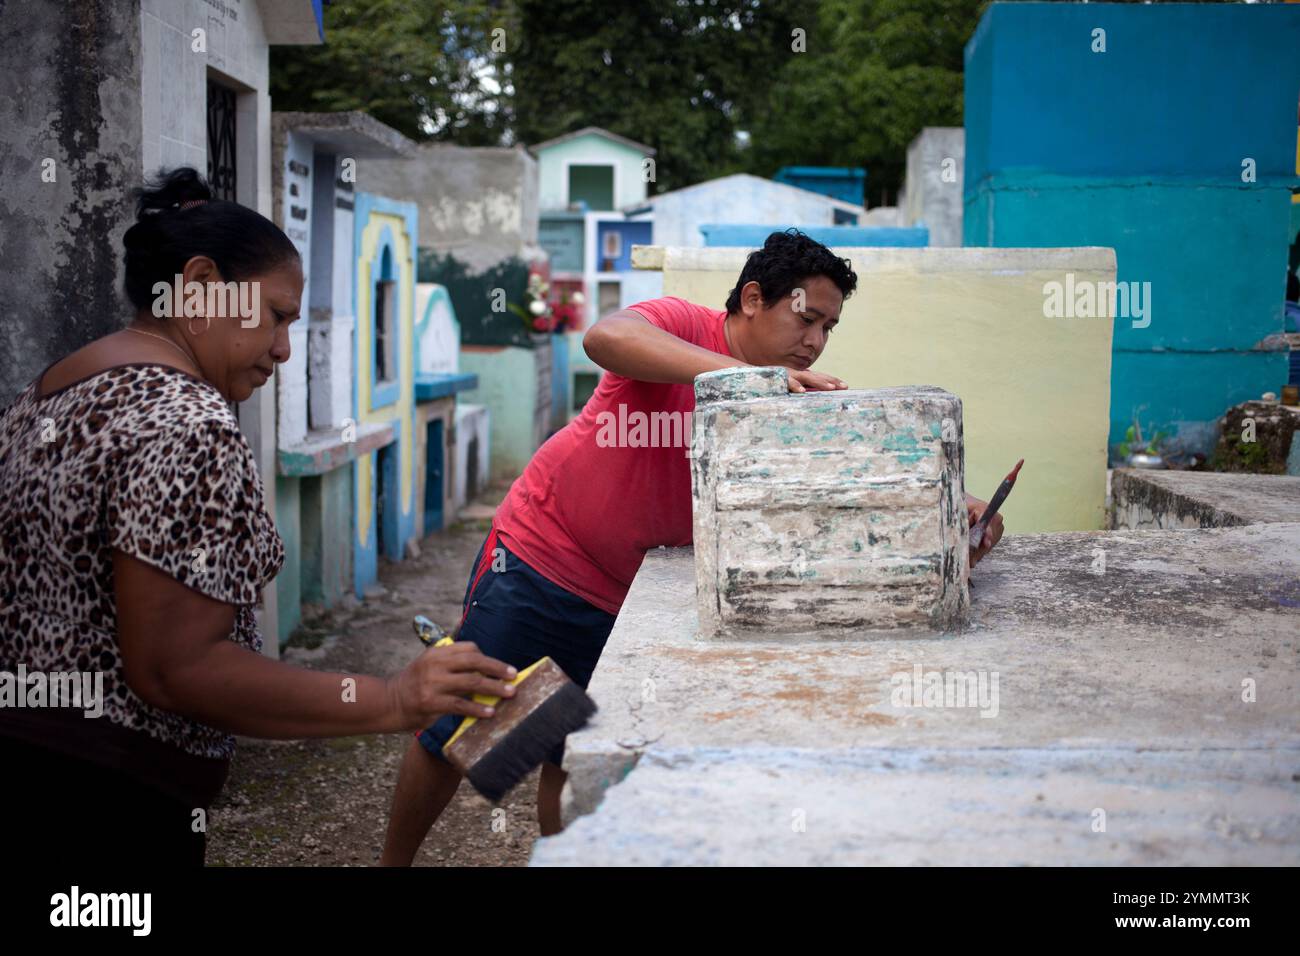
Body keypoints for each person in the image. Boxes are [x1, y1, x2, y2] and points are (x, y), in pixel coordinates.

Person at [379, 229, 1006, 864]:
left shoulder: (791, 392)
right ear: (754, 298)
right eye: (806, 318)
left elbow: (857, 462)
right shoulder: (685, 327)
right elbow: (605, 337)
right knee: (462, 731)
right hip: (543, 557)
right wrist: (747, 379)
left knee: (573, 751)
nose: (814, 342)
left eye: (828, 328)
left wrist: (955, 502)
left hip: (630, 600)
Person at [0, 167, 516, 866]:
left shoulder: (56, 387)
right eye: (276, 316)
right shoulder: (186, 420)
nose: (283, 349)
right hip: (113, 791)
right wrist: (393, 698)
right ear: (203, 282)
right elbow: (176, 670)